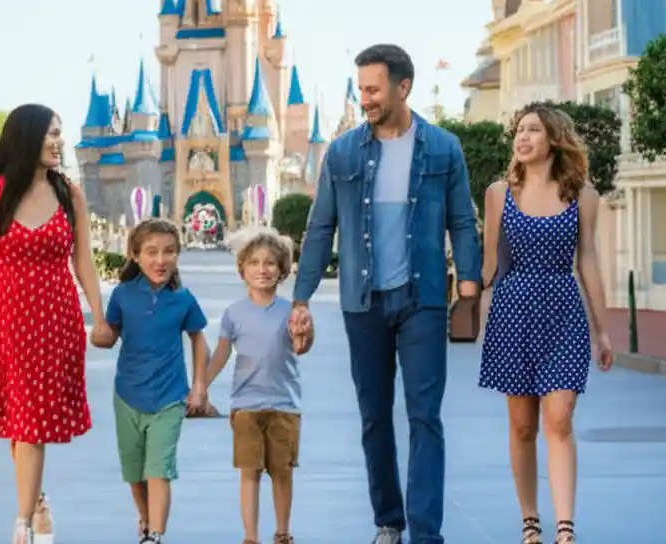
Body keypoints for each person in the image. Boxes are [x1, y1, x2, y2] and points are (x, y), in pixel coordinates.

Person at [290, 44, 482, 544]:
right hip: (364, 302)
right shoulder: (344, 152)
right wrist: (301, 297)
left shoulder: (444, 148)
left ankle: (425, 533)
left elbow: (462, 219)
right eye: (361, 89)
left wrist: (469, 279)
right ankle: (388, 521)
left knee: (425, 417)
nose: (365, 99)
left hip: (421, 301)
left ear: (403, 87)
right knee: (375, 417)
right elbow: (320, 227)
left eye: (373, 89)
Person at [0, 104, 112, 544]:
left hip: (57, 322)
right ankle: (34, 506)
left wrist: (98, 316)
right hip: (8, 321)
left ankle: (22, 521)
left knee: (31, 421)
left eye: (60, 134)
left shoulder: (69, 194)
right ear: (25, 138)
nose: (57, 142)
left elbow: (84, 260)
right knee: (21, 418)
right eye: (49, 134)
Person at [477, 104, 614, 544]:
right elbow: (490, 265)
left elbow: (588, 261)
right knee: (521, 426)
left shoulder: (583, 195)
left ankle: (565, 528)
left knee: (559, 418)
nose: (523, 137)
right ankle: (530, 519)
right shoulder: (500, 192)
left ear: (554, 139)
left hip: (563, 312)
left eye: (533, 130)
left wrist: (602, 329)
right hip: (513, 312)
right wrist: (469, 306)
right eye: (519, 130)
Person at [92, 218, 210, 544]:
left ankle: (155, 535)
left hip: (170, 397)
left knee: (158, 469)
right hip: (128, 394)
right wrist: (98, 334)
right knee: (134, 473)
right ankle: (144, 519)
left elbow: (199, 339)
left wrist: (199, 387)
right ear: (135, 255)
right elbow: (108, 336)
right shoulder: (123, 295)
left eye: (170, 252)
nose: (161, 260)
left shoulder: (183, 298)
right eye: (152, 252)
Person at [207, 228, 312, 544]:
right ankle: (250, 536)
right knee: (249, 472)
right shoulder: (234, 313)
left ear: (281, 269)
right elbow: (222, 353)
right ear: (243, 268)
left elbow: (302, 347)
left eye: (269, 263)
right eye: (254, 262)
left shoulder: (292, 311)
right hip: (246, 406)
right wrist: (201, 386)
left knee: (282, 472)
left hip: (284, 405)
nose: (262, 269)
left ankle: (282, 532)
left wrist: (300, 335)